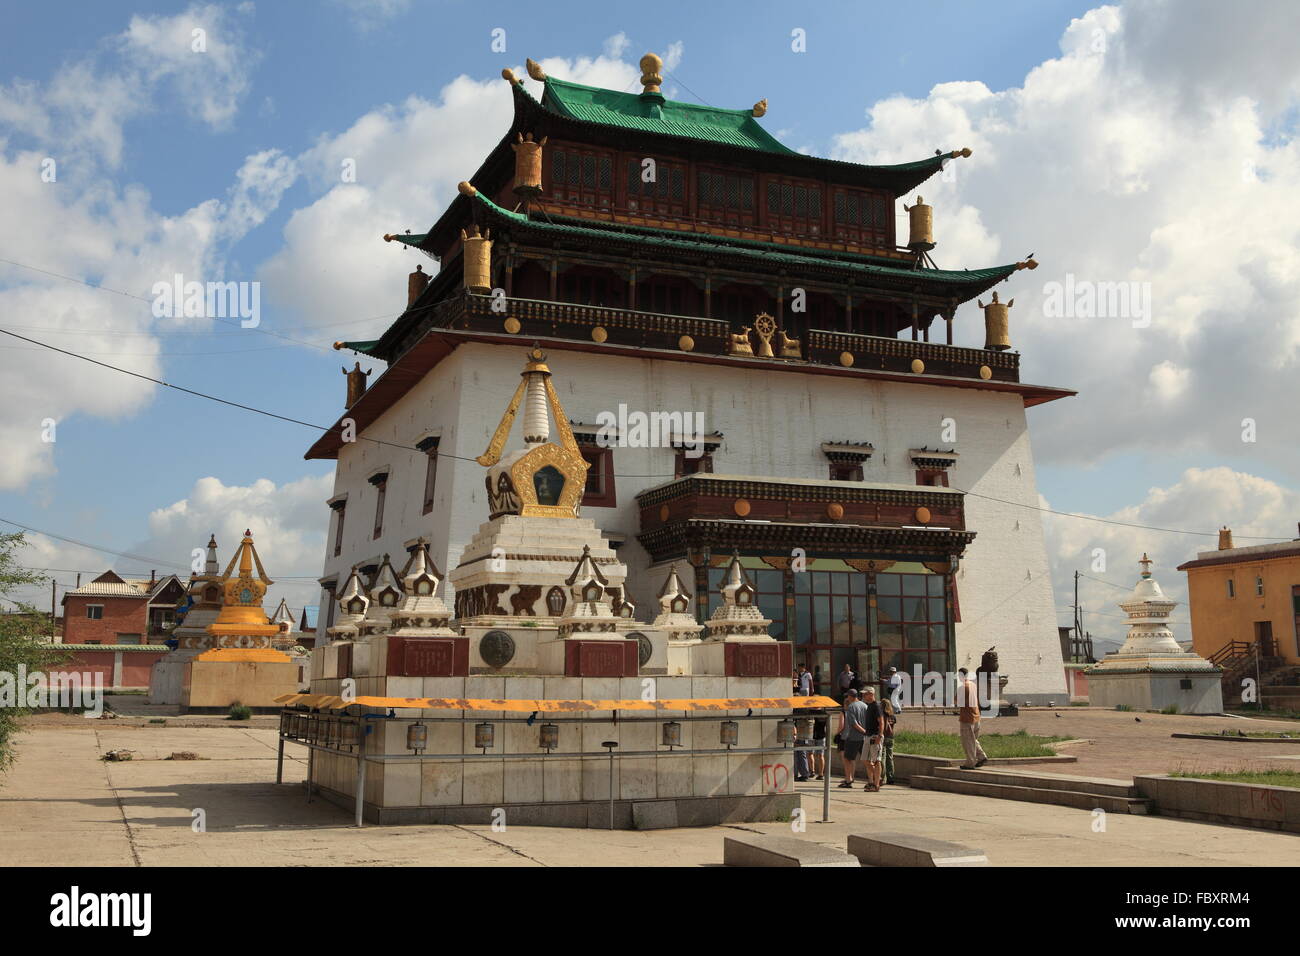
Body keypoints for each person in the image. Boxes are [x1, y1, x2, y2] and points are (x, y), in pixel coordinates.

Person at [956, 667, 988, 769]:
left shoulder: (963, 687)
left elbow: (957, 701)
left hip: (967, 718)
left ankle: (970, 762)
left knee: (968, 741)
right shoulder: (973, 685)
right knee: (973, 739)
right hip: (976, 716)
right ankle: (981, 756)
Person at [837, 689, 869, 787]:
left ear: (851, 696)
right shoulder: (865, 705)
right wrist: (866, 732)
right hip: (865, 738)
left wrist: (863, 731)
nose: (847, 698)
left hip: (854, 737)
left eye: (848, 696)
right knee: (867, 760)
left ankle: (848, 780)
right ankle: (873, 780)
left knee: (848, 759)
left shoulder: (851, 707)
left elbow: (854, 724)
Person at [859, 687, 884, 791]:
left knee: (876, 760)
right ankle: (877, 779)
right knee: (864, 759)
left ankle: (876, 784)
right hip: (868, 735)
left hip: (875, 736)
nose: (863, 696)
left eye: (865, 694)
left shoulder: (876, 706)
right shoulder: (868, 706)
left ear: (871, 694)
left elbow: (881, 722)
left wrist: (879, 735)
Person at [792, 690, 812, 782]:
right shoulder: (805, 709)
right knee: (802, 754)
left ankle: (795, 774)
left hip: (796, 733)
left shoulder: (795, 709)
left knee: (795, 755)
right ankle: (804, 774)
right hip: (804, 734)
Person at [881, 697, 898, 785]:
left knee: (882, 757)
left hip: (884, 737)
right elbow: (892, 727)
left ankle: (882, 778)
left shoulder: (882, 715)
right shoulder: (892, 716)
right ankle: (891, 777)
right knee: (890, 758)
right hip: (891, 737)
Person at [811, 709, 827, 780]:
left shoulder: (810, 712)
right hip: (821, 735)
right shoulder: (824, 713)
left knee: (811, 753)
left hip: (812, 735)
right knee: (820, 755)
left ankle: (813, 772)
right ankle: (820, 774)